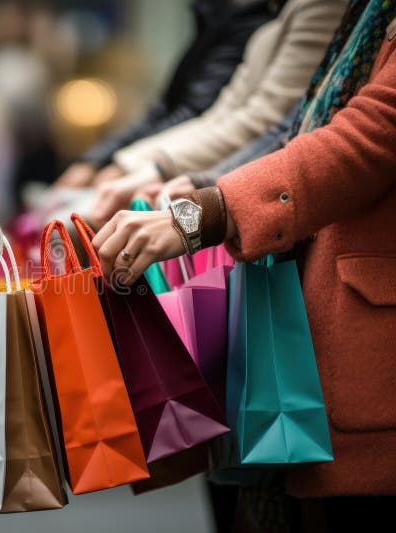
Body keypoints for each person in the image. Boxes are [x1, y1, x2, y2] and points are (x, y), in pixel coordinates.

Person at [92, 1, 396, 528]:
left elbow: (365, 137)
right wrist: (198, 189)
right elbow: (298, 130)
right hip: (317, 338)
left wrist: (200, 214)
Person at [87, 0, 348, 228]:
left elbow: (271, 125)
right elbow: (220, 112)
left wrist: (187, 183)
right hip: (219, 179)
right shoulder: (245, 11)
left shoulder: (309, 7)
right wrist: (132, 166)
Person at [56, 0, 277, 189]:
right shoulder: (216, 14)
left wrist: (130, 166)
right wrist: (97, 160)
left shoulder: (250, 21)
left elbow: (200, 113)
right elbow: (164, 109)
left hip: (196, 169)